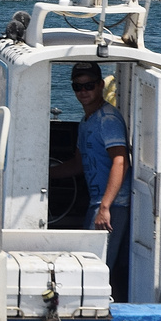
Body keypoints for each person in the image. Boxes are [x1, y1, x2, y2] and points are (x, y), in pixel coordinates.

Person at [49, 63, 131, 300]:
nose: (83, 91)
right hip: (97, 204)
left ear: (101, 85)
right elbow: (78, 164)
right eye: (78, 87)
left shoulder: (108, 120)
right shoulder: (87, 122)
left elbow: (120, 161)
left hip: (113, 206)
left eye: (89, 86)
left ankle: (99, 310)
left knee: (95, 269)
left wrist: (105, 207)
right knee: (96, 266)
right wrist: (44, 174)